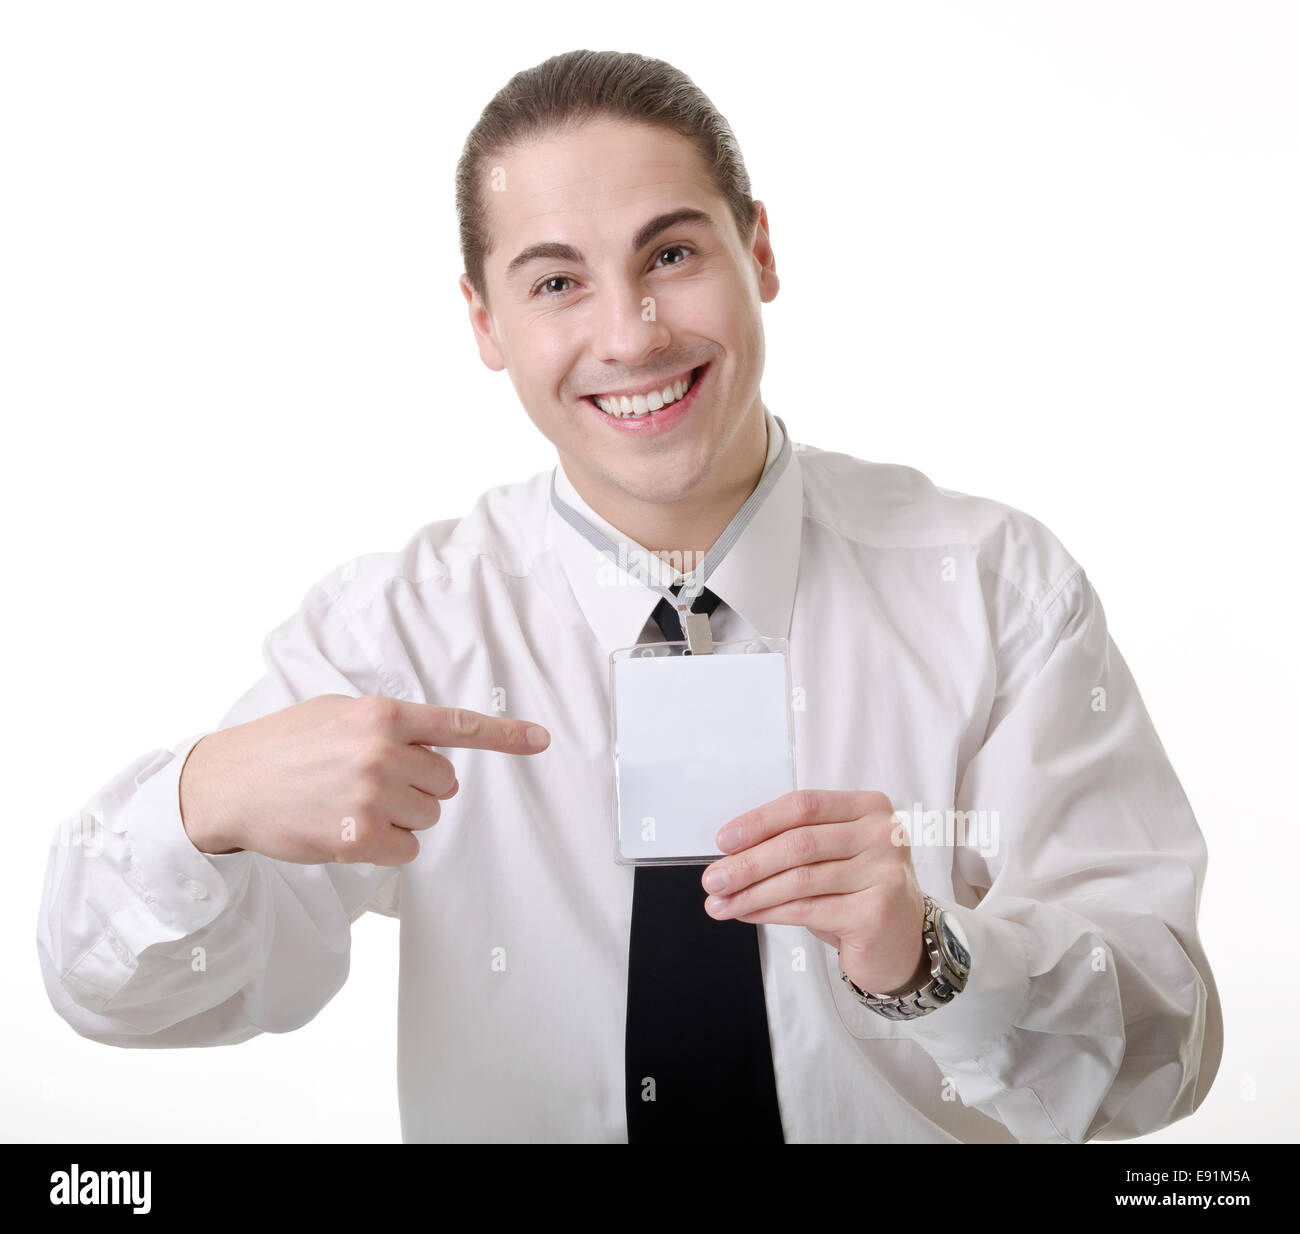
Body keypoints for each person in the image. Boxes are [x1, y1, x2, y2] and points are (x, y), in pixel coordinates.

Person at [37, 48, 1221, 1144]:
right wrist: (202, 799)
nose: (631, 334)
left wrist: (930, 959)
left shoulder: (997, 591)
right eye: (555, 281)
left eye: (670, 254)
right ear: (483, 323)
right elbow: (121, 995)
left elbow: (1166, 1046)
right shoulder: (393, 634)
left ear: (758, 250)